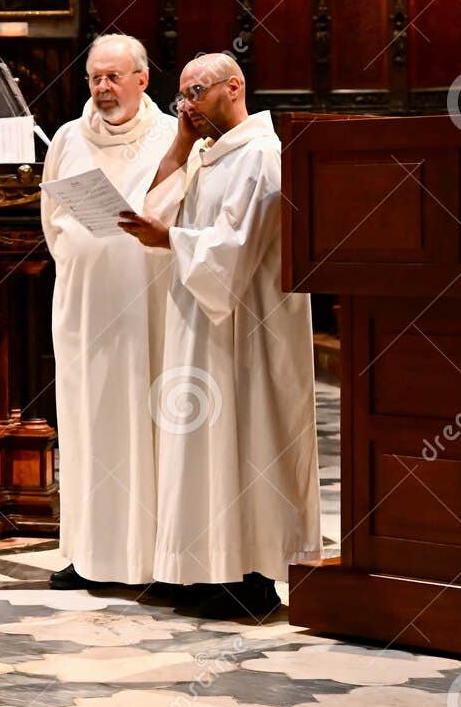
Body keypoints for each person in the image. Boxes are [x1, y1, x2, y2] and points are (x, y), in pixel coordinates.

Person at [117, 52, 320, 619]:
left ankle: (249, 574)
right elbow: (152, 211)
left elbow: (234, 252)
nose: (187, 105)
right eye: (181, 94)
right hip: (199, 318)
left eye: (197, 92)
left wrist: (172, 242)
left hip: (248, 327)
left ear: (235, 87)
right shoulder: (206, 153)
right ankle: (198, 568)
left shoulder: (262, 157)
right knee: (201, 446)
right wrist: (180, 146)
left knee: (247, 444)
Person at [41, 33, 174, 590]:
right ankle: (88, 552)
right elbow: (52, 215)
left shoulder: (171, 137)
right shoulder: (69, 138)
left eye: (114, 77)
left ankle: (153, 558)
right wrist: (81, 254)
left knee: (151, 423)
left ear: (142, 80)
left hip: (151, 307)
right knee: (86, 421)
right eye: (95, 77)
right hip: (87, 305)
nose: (102, 88)